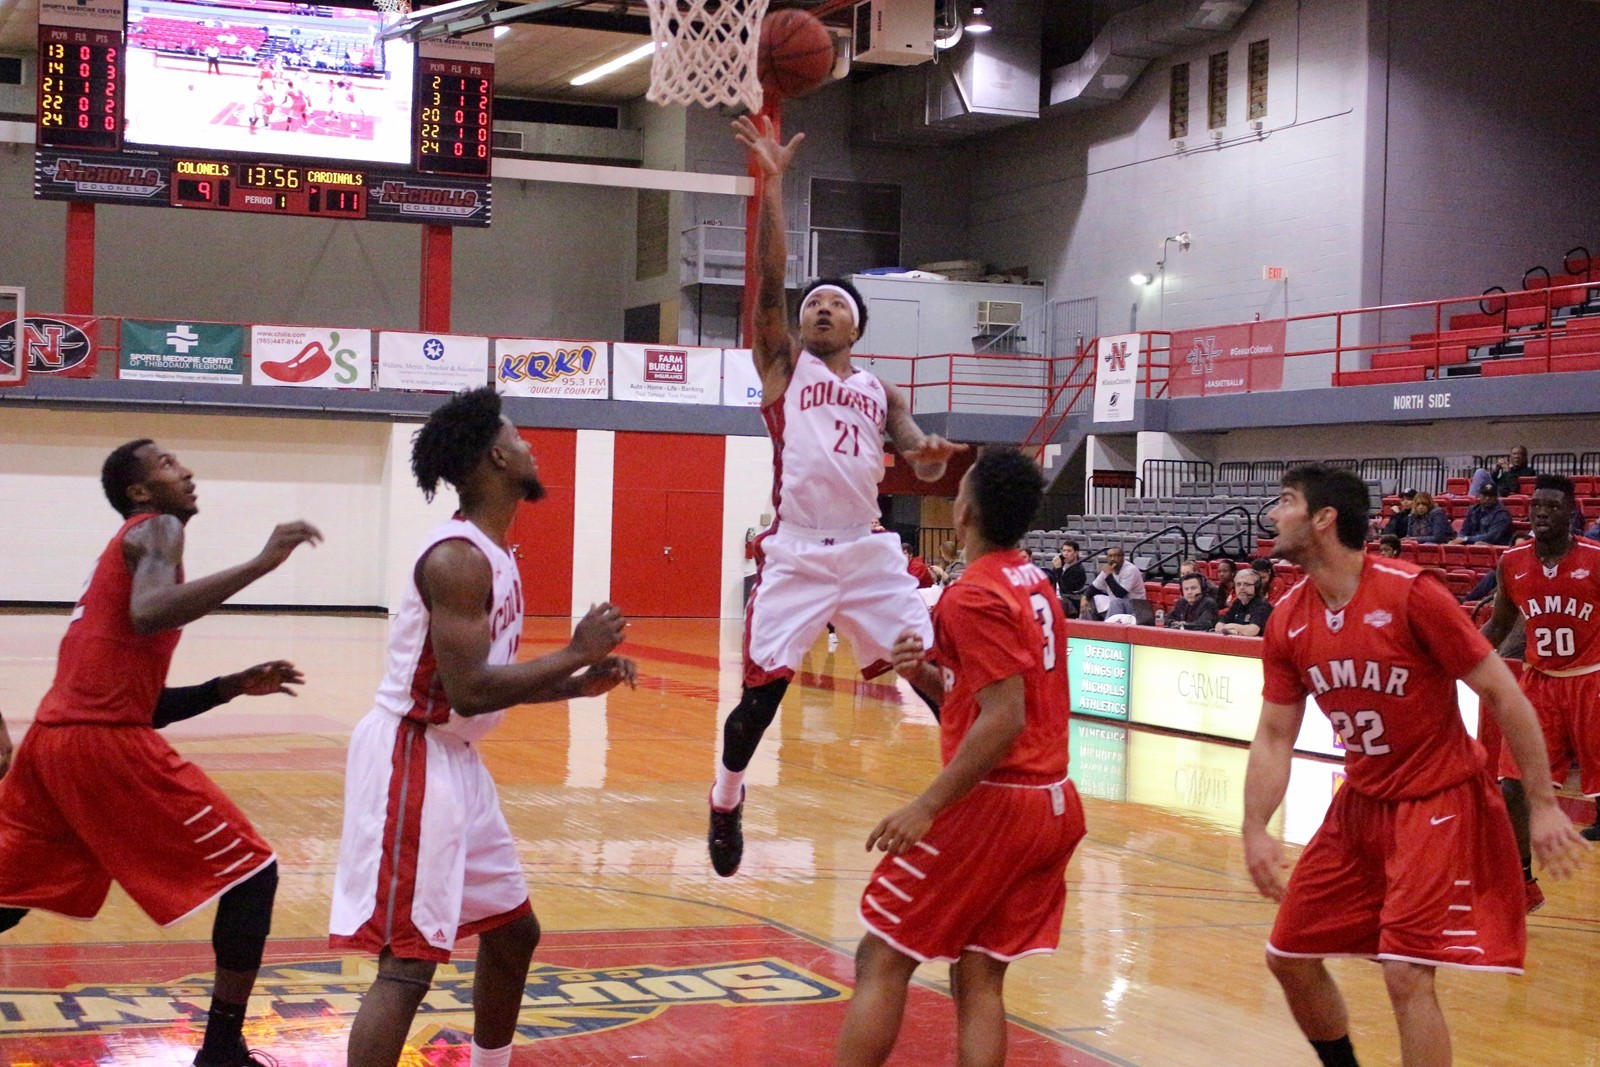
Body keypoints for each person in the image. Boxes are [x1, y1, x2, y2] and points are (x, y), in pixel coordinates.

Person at [330, 388, 637, 1067]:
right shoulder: (458, 558)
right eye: (521, 438)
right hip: (411, 756)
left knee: (512, 931)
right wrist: (576, 650)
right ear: (498, 456)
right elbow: (466, 687)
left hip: (455, 759)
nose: (532, 447)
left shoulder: (493, 553)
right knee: (409, 962)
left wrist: (575, 683)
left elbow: (477, 686)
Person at [1243, 465, 1585, 1067]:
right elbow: (1274, 735)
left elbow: (1504, 693)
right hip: (1360, 803)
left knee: (1404, 973)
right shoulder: (1288, 620)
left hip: (1438, 801)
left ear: (1324, 519)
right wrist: (1254, 828)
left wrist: (1545, 805)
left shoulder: (1409, 592)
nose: (1273, 513)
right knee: (1288, 956)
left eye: (1286, 501)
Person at [0, 439, 322, 1067]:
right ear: (140, 493)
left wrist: (228, 688)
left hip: (54, 740)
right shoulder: (158, 527)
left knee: (10, 892)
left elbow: (134, 702)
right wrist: (263, 561)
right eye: (170, 465)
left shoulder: (125, 550)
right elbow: (151, 614)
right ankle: (221, 1050)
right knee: (253, 875)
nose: (188, 471)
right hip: (96, 747)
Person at [708, 115, 966, 879]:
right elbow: (770, 282)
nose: (820, 307)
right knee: (763, 699)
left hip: (869, 550)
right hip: (795, 551)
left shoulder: (880, 388)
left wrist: (926, 455)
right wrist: (774, 184)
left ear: (858, 324)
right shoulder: (786, 365)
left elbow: (914, 446)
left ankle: (976, 795)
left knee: (934, 677)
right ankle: (726, 798)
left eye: (835, 304)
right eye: (813, 302)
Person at [836, 447, 1084, 1067]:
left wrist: (926, 805)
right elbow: (986, 702)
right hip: (1051, 801)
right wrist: (923, 674)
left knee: (882, 955)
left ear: (963, 509)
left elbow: (1004, 720)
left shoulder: (972, 595)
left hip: (995, 803)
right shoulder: (1034, 582)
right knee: (979, 975)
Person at [1481, 474, 1600, 878]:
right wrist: (1453, 659)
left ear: (1571, 513)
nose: (1542, 513)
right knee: (1512, 783)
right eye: (1536, 506)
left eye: (1552, 506)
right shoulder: (1511, 562)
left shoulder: (1595, 558)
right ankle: (1521, 877)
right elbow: (1498, 626)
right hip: (1539, 684)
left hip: (1591, 681)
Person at [1079, 546, 1147, 623]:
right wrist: (1084, 598)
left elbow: (1120, 594)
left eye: (1116, 556)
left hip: (1136, 607)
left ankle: (1107, 629)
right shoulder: (1109, 570)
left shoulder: (1131, 570)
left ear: (1122, 558)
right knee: (1090, 599)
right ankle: (1084, 627)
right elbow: (1093, 587)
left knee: (1117, 601)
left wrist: (1108, 575)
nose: (1113, 559)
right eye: (1110, 556)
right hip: (1118, 607)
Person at [1216, 567, 1272, 636]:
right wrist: (1233, 631)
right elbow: (1219, 625)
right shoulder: (1237, 602)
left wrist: (1230, 627)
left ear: (1257, 587)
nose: (1242, 587)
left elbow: (1252, 631)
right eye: (1238, 584)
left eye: (1247, 584)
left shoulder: (1262, 605)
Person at [1470, 446, 1536, 498]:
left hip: (1506, 495)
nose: (1516, 456)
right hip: (1495, 491)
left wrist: (1508, 472)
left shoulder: (1529, 471)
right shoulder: (1510, 469)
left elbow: (1514, 488)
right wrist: (1496, 470)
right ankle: (1470, 500)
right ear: (1510, 457)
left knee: (1480, 472)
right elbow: (1494, 482)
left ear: (1524, 457)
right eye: (1514, 454)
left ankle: (1470, 503)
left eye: (1519, 454)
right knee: (1480, 472)